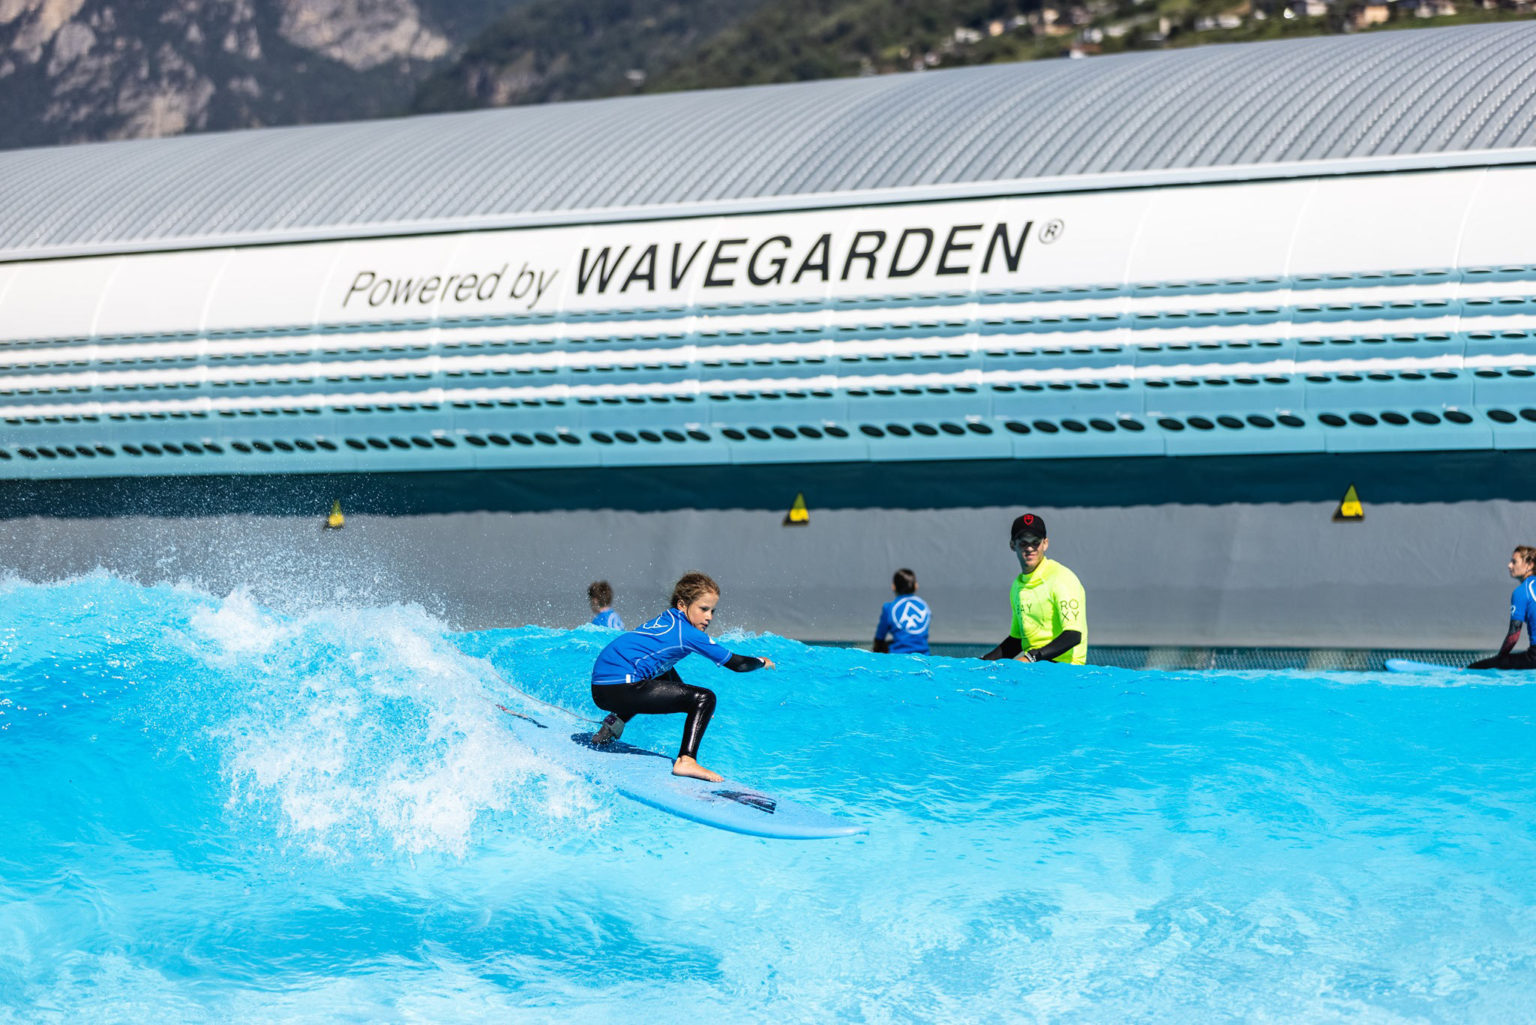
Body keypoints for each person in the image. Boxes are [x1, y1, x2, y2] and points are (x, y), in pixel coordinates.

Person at [589, 571, 776, 781]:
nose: (709, 617)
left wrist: (691, 703)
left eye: (713, 610)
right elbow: (738, 665)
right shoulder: (688, 633)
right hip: (619, 688)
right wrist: (761, 661)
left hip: (602, 687)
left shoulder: (667, 619)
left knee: (656, 674)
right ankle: (686, 760)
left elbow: (663, 668)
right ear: (682, 604)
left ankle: (610, 728)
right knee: (706, 697)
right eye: (703, 609)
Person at [980, 512, 1087, 665]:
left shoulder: (1062, 578)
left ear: (1045, 543)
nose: (1030, 548)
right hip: (1036, 668)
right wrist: (982, 662)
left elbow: (1073, 635)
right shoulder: (1018, 587)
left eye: (1035, 542)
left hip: (1066, 671)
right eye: (1024, 543)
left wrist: (1031, 657)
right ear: (1013, 545)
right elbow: (1016, 640)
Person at [1468, 546, 1536, 670]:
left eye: (1514, 562)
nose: (1509, 565)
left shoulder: (1522, 592)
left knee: (1473, 668)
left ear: (1530, 565)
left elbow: (1513, 635)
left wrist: (1499, 659)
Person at [873, 568, 931, 654]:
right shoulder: (924, 606)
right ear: (916, 586)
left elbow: (879, 638)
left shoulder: (889, 608)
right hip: (924, 656)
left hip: (899, 657)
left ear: (893, 587)